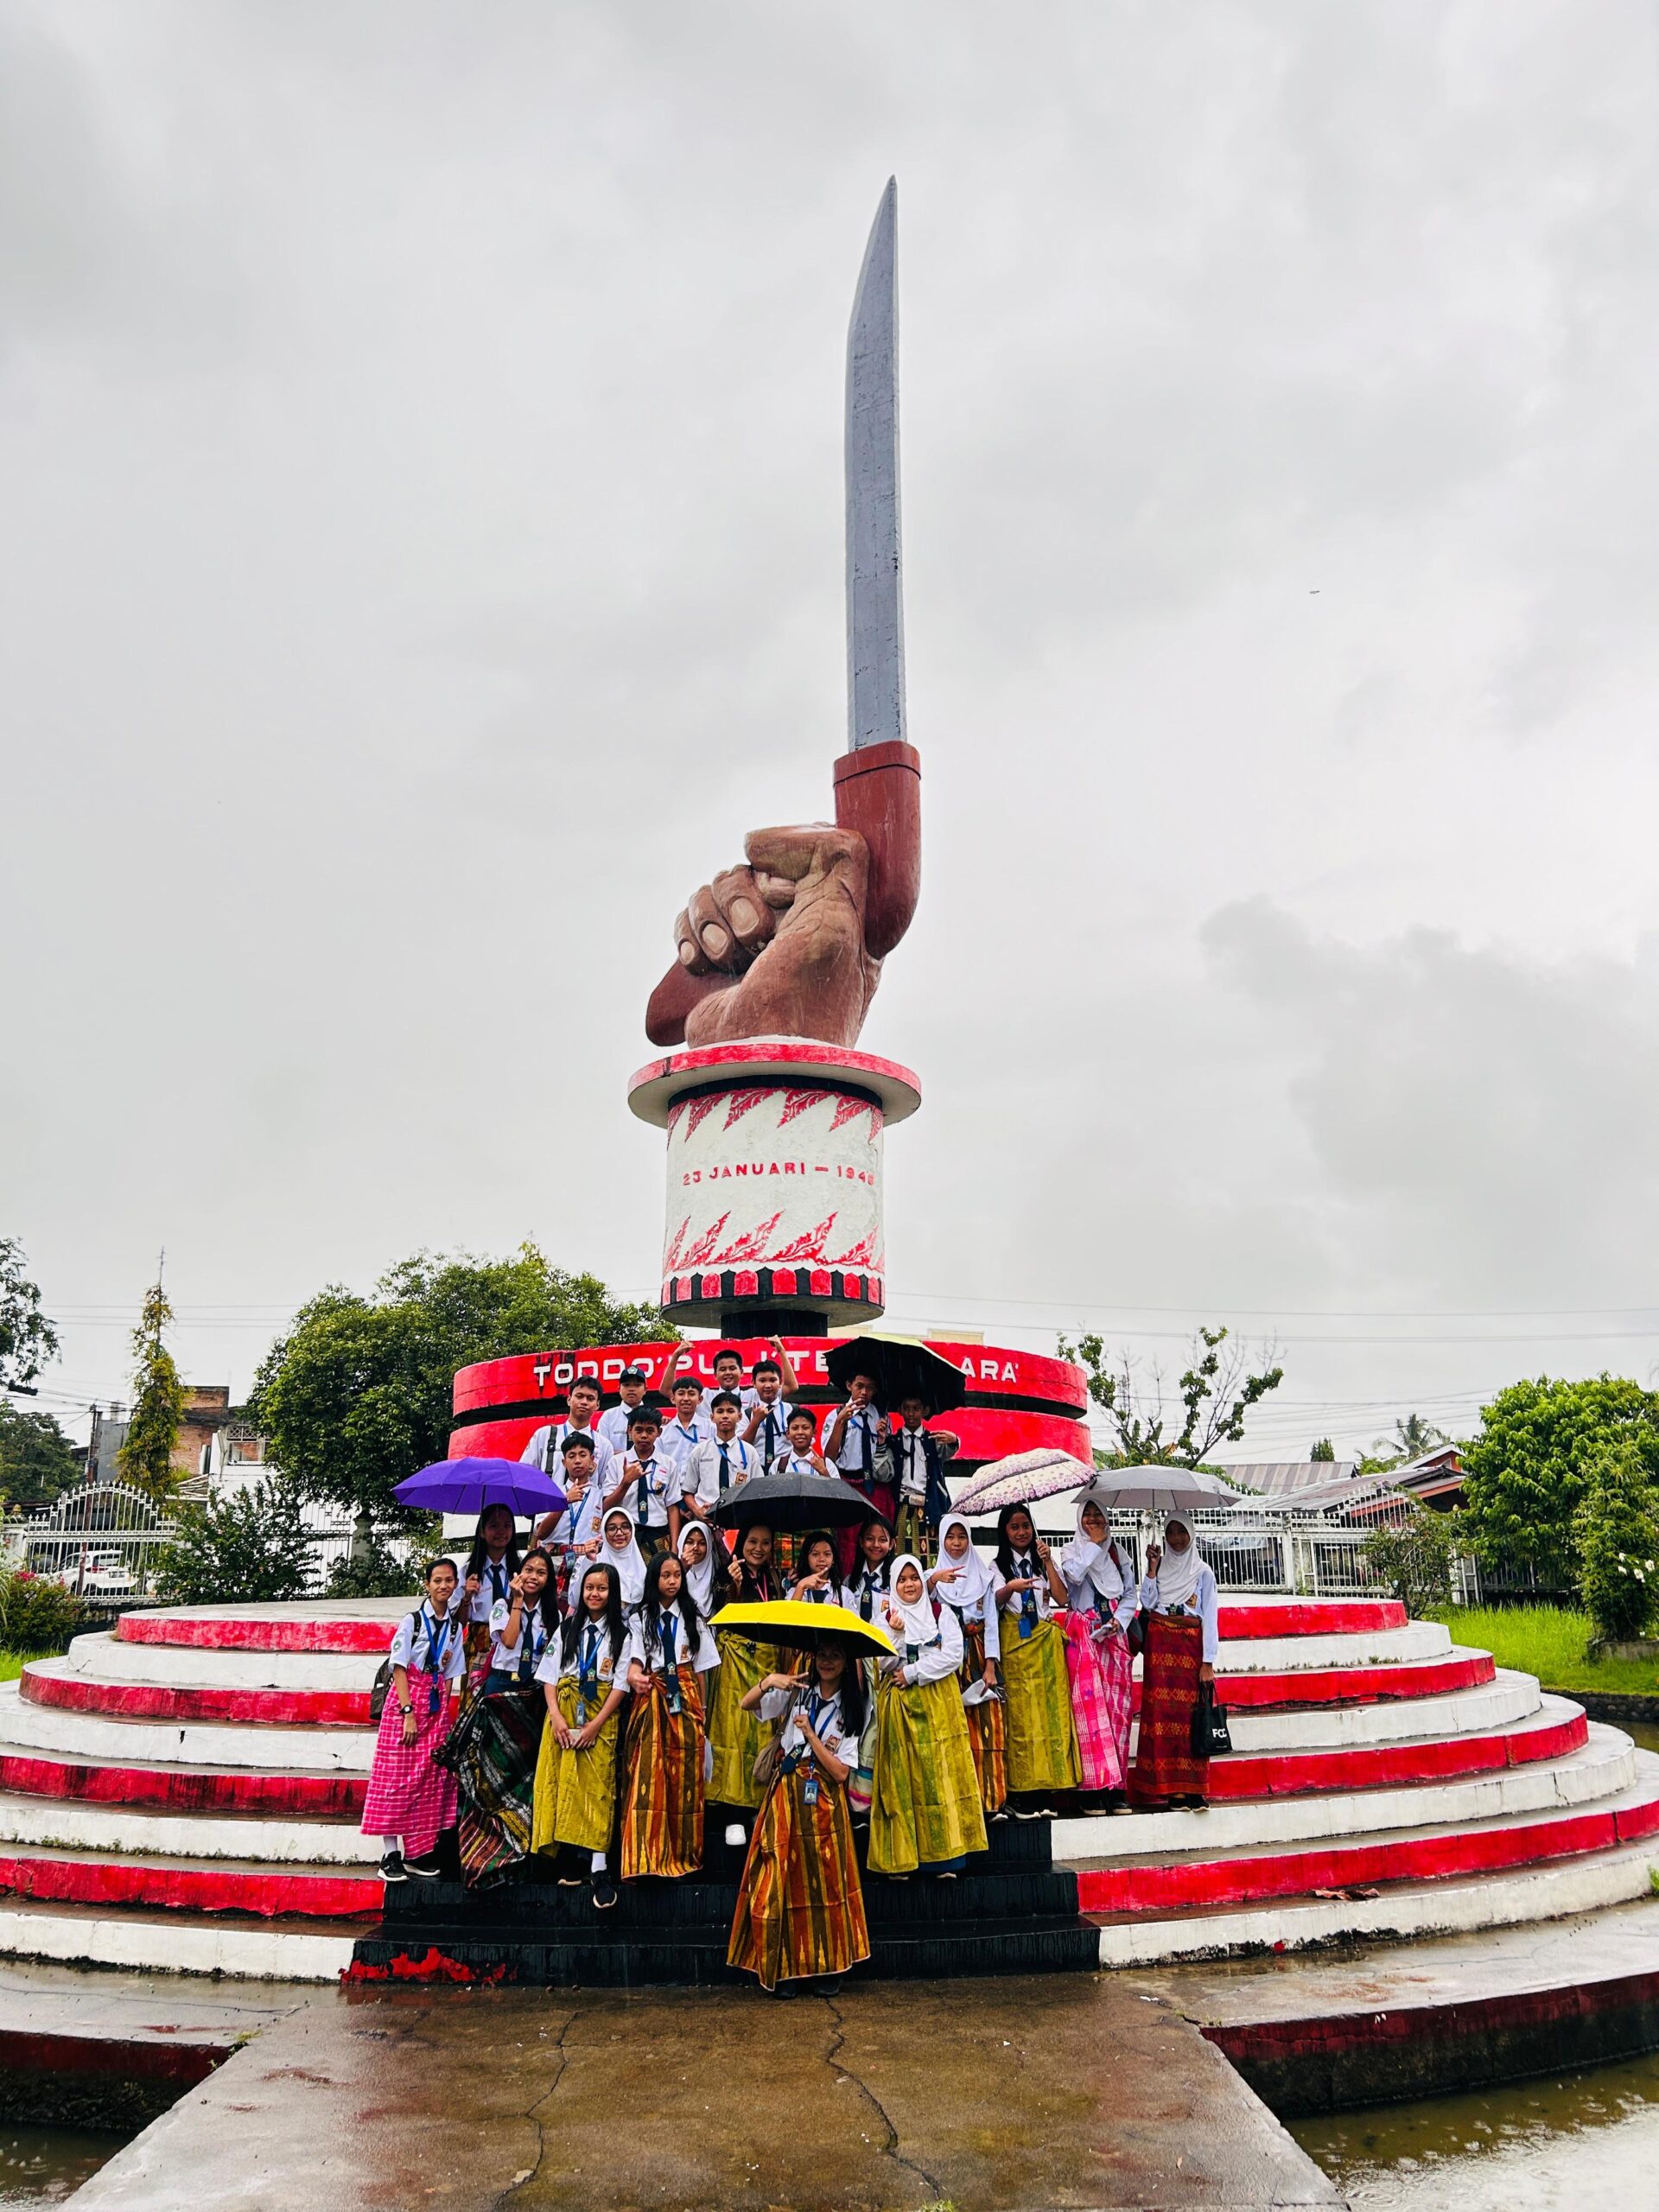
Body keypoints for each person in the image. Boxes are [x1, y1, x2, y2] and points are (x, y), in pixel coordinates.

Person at [726, 1638, 871, 1993]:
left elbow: (840, 1773)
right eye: (822, 1654)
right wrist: (770, 1681)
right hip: (787, 1792)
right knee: (781, 1876)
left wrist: (809, 1734)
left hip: (823, 1801)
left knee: (825, 1883)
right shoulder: (796, 1689)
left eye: (835, 1655)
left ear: (845, 1662)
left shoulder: (854, 1706)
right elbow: (746, 1704)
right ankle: (784, 1966)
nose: (827, 1662)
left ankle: (827, 1968)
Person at [435, 1547, 556, 1887]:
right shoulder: (503, 1606)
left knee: (524, 1773)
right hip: (500, 1689)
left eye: (541, 1572)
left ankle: (520, 1844)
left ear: (548, 1580)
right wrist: (517, 1600)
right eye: (528, 1570)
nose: (533, 1576)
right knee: (493, 1771)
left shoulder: (553, 1613)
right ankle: (482, 1851)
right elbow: (509, 1639)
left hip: (532, 1694)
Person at [869, 1554, 988, 1878]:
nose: (909, 1585)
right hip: (901, 1707)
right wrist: (895, 1635)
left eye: (914, 1578)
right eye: (902, 1580)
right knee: (901, 1779)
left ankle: (943, 1857)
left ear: (924, 1581)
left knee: (939, 1777)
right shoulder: (885, 1618)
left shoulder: (941, 1613)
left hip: (938, 1705)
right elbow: (880, 1663)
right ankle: (902, 1858)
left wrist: (914, 1672)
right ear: (894, 1584)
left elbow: (952, 1655)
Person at [531, 1560, 632, 1908]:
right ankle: (569, 1856)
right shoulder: (566, 1628)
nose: (594, 1594)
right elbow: (548, 1677)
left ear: (612, 1592)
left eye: (602, 1588)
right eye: (589, 1588)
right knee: (564, 1785)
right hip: (564, 1711)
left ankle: (599, 1865)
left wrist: (595, 1725)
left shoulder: (622, 1633)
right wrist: (557, 1718)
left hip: (600, 1716)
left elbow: (620, 1684)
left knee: (598, 1786)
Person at [361, 1557, 466, 1882]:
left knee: (428, 1781)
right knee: (395, 1780)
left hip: (434, 1707)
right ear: (427, 1584)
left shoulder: (454, 1627)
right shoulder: (413, 1622)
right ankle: (390, 1854)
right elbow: (399, 1667)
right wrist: (407, 1712)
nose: (443, 1586)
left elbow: (450, 1674)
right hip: (405, 1704)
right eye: (437, 1580)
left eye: (449, 1580)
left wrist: (442, 1714)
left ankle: (417, 1853)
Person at [620, 1548, 717, 1879]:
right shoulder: (641, 1616)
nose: (672, 1581)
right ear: (654, 1579)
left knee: (685, 1773)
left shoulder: (694, 1616)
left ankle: (685, 1854)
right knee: (649, 1770)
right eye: (666, 1575)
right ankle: (646, 1856)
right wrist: (634, 1674)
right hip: (654, 1693)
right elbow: (636, 1658)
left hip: (687, 1695)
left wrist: (703, 1712)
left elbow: (702, 1670)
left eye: (677, 1575)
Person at [993, 1503, 1080, 1816]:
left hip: (1044, 1649)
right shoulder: (997, 1566)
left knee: (1047, 1718)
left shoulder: (1042, 1563)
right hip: (1016, 1648)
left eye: (1025, 1525)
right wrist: (1009, 1588)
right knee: (1019, 1720)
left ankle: (1046, 1788)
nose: (1021, 1532)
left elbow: (1061, 1599)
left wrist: (1050, 1564)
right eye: (1014, 1527)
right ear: (1005, 1532)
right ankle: (1020, 1791)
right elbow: (993, 1603)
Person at [707, 1521, 788, 1847]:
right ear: (741, 1545)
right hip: (736, 1663)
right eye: (753, 1542)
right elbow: (722, 1613)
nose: (759, 1548)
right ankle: (732, 1813)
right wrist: (735, 1588)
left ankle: (757, 1805)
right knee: (733, 1734)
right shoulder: (728, 1574)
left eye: (766, 1543)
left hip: (766, 1663)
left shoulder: (776, 1579)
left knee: (762, 1734)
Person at [1132, 1517, 1218, 1811]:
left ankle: (1194, 1789)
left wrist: (1208, 1662)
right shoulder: (1160, 1568)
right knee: (1163, 1719)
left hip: (1191, 1650)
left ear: (1191, 1534)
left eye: (1182, 1531)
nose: (1176, 1538)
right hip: (1160, 1650)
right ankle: (1172, 1791)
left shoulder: (1203, 1572)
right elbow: (1147, 1601)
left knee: (1191, 1719)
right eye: (1170, 1532)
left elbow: (1210, 1617)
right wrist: (1152, 1569)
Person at [1058, 1495, 1139, 1812]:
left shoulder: (1119, 1554)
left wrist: (1119, 1623)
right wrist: (1093, 1545)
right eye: (1087, 1514)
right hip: (1083, 1636)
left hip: (1114, 1638)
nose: (1093, 1519)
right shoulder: (1070, 1550)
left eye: (1098, 1514)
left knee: (1117, 1713)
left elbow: (1129, 1594)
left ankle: (1117, 1787)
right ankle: (1092, 1788)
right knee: (1088, 1712)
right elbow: (1074, 1577)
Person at [928, 1512, 1006, 1821]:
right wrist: (935, 1579)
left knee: (987, 1726)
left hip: (976, 1656)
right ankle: (957, 1802)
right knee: (951, 1727)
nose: (957, 1543)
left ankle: (990, 1800)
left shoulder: (983, 1577)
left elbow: (991, 1624)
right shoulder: (931, 1578)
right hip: (947, 1657)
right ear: (941, 1540)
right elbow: (920, 1602)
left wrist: (990, 1666)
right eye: (951, 1537)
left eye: (962, 1537)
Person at [672, 1390, 763, 1541]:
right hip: (705, 1522)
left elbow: (758, 1491)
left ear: (739, 1416)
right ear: (712, 1417)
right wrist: (698, 1511)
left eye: (730, 1411)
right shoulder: (700, 1451)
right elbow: (688, 1492)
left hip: (738, 1522)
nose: (725, 1416)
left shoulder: (749, 1452)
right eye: (720, 1411)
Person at [450, 1506, 523, 1688]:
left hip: (512, 1640)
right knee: (474, 1707)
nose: (501, 1532)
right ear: (482, 1532)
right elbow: (459, 1623)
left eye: (507, 1526)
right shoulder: (468, 1572)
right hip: (479, 1644)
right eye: (493, 1526)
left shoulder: (520, 1571)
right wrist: (466, 1598)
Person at [823, 1370, 894, 1539]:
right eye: (859, 1386)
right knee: (847, 1539)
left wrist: (882, 1439)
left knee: (876, 1536)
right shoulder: (836, 1415)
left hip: (873, 1485)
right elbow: (829, 1457)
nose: (864, 1393)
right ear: (849, 1386)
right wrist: (840, 1423)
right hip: (847, 1484)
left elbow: (886, 1455)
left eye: (869, 1388)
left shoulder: (881, 1416)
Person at [536, 1433, 605, 1602]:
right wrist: (563, 1502)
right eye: (571, 1456)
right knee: (550, 1613)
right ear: (563, 1462)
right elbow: (541, 1533)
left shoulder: (600, 1496)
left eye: (583, 1455)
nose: (578, 1461)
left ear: (592, 1460)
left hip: (586, 1561)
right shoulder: (550, 1493)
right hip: (554, 1562)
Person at [889, 1395, 958, 1560]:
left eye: (916, 1408)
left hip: (928, 1509)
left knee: (930, 1559)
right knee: (901, 1557)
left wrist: (955, 1440)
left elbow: (948, 1451)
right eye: (906, 1408)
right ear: (900, 1410)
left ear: (924, 1411)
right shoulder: (893, 1442)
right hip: (902, 1507)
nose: (911, 1413)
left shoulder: (934, 1441)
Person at [523, 1376, 617, 1496]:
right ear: (569, 1399)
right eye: (579, 1396)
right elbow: (525, 1475)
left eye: (590, 1398)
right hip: (549, 1509)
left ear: (597, 1405)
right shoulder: (544, 1435)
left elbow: (605, 1487)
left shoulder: (604, 1445)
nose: (584, 1402)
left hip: (587, 1512)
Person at [605, 1408, 677, 1556]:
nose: (644, 1435)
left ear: (659, 1433)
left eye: (650, 1431)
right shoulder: (616, 1462)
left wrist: (675, 1546)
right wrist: (626, 1482)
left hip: (659, 1534)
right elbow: (606, 1506)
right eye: (639, 1430)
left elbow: (672, 1506)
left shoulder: (668, 1464)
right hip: (625, 1534)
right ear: (629, 1430)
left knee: (658, 1578)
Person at [741, 1353, 798, 1464]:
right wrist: (755, 1421)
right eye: (762, 1381)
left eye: (772, 1380)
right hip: (758, 1470)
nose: (767, 1385)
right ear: (754, 1383)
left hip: (786, 1471)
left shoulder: (792, 1410)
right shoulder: (747, 1414)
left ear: (780, 1382)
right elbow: (741, 1447)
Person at [595, 1507, 647, 1612]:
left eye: (625, 1527)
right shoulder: (594, 1563)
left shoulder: (645, 1566)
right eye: (612, 1528)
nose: (619, 1533)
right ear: (604, 1533)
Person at [659, 1374, 711, 1475]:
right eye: (681, 1394)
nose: (686, 1398)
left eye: (691, 1394)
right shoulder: (663, 1431)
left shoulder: (711, 1428)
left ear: (700, 1399)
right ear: (673, 1398)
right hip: (671, 1488)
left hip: (701, 1488)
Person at [847, 1516, 895, 1621]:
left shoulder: (896, 1580)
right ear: (861, 1541)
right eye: (869, 1539)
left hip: (885, 1636)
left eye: (882, 1540)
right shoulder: (849, 1580)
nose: (876, 1545)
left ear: (891, 1544)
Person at [597, 1368, 652, 1457]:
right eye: (626, 1385)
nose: (631, 1389)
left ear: (645, 1389)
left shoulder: (653, 1416)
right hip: (615, 1469)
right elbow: (601, 1449)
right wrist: (624, 1457)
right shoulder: (608, 1416)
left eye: (637, 1385)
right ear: (619, 1389)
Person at [790, 1529, 847, 1608]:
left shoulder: (844, 1593)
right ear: (806, 1558)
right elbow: (789, 1617)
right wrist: (801, 1586)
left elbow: (854, 1620)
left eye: (827, 1554)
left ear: (833, 1559)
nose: (822, 1559)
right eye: (815, 1554)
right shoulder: (795, 1590)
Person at [770, 1404, 830, 1478]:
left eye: (805, 1428)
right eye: (795, 1428)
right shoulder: (778, 1465)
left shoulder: (826, 1464)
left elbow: (838, 1488)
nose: (800, 1432)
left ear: (814, 1432)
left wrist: (824, 1472)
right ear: (788, 1433)